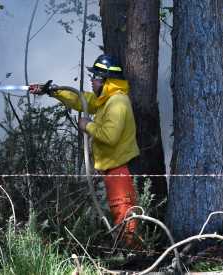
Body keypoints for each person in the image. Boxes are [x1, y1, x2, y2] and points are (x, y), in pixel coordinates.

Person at [29, 54, 140, 247]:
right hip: (112, 168)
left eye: (95, 78)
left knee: (124, 211)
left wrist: (87, 125)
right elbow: (82, 100)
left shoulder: (118, 102)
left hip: (119, 168)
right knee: (121, 211)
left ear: (107, 80)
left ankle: (133, 253)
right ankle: (127, 249)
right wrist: (53, 91)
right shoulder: (107, 99)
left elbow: (110, 136)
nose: (92, 81)